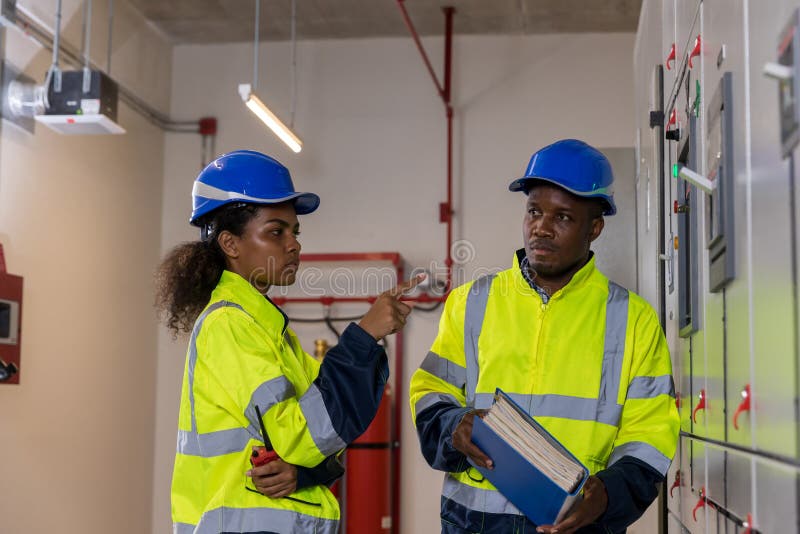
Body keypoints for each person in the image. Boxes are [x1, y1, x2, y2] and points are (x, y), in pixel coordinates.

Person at [409, 139, 680, 534]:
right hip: (474, 523)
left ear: (596, 227)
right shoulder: (471, 302)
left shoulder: (634, 320)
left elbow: (650, 437)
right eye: (534, 211)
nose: (542, 228)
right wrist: (455, 425)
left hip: (576, 526)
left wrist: (604, 495)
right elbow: (430, 393)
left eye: (564, 217)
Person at [157, 149, 423, 534]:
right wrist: (364, 336)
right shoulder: (229, 324)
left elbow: (328, 432)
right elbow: (303, 436)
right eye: (276, 232)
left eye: (294, 232)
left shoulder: (267, 329)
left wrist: (304, 472)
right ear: (231, 244)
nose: (294, 245)